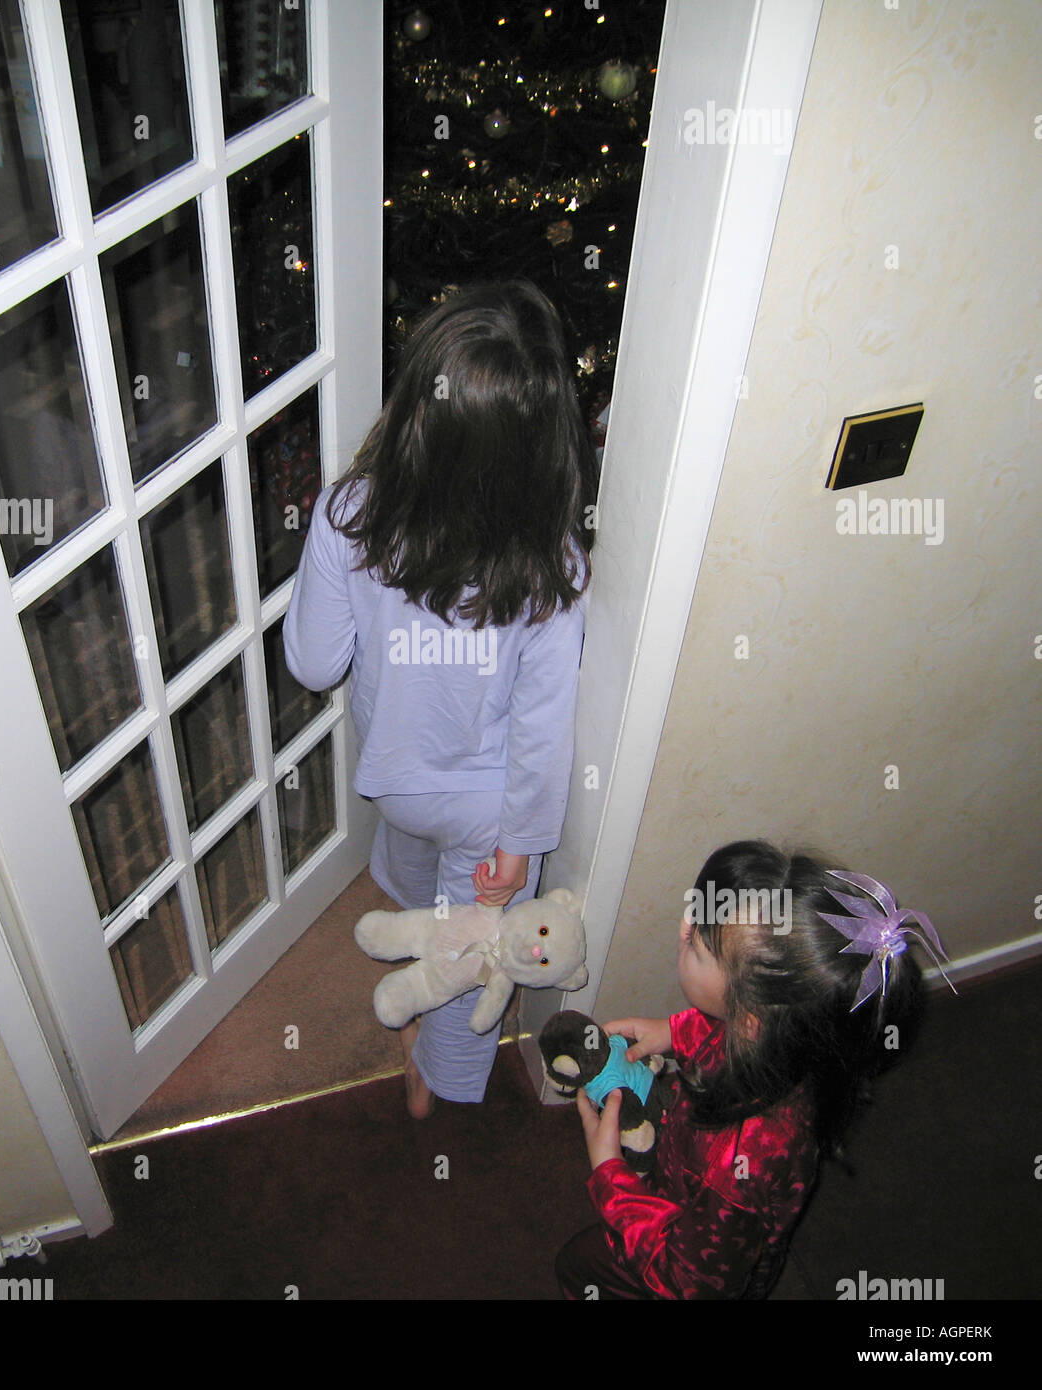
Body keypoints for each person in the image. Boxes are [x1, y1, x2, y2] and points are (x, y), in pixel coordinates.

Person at [283, 280, 596, 1117]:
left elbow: (313, 664)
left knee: (415, 869)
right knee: (473, 946)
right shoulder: (554, 565)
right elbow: (542, 727)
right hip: (486, 807)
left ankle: (415, 945)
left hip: (394, 777)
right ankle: (445, 1075)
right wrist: (524, 841)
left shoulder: (352, 511)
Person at [557, 839, 951, 1299]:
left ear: (749, 1017)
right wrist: (675, 1030)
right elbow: (724, 1033)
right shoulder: (795, 1041)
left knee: (578, 1265)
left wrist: (611, 1175)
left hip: (696, 1245)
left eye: (698, 942)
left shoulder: (733, 1169)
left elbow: (692, 1282)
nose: (684, 924)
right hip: (697, 1191)